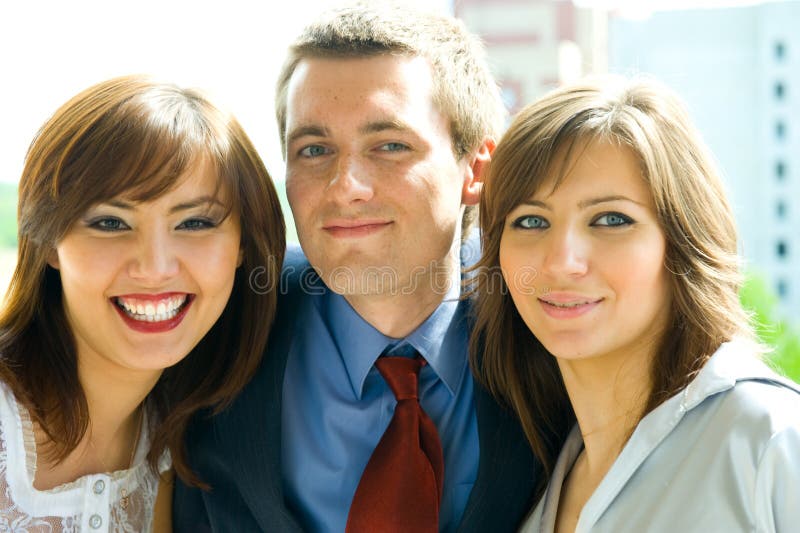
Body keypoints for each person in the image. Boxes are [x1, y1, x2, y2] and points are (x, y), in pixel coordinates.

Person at [173, 2, 539, 531]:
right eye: (315, 149)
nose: (346, 186)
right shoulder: (216, 323)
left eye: (390, 145)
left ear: (476, 170)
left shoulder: (545, 331)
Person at [471, 75, 800, 533]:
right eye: (530, 220)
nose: (563, 262)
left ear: (682, 241)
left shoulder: (772, 441)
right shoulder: (533, 486)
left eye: (611, 219)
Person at [0, 75, 285, 530]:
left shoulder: (166, 448)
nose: (154, 268)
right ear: (49, 241)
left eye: (194, 223)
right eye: (111, 223)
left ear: (243, 247)